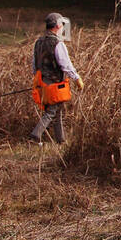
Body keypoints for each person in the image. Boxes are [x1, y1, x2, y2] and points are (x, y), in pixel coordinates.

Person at [28, 12, 84, 145]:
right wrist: (77, 78)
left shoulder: (38, 42)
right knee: (51, 111)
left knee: (57, 110)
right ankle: (35, 136)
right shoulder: (58, 44)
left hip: (41, 83)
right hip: (55, 84)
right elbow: (65, 64)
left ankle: (61, 140)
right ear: (58, 26)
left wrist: (38, 81)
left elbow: (34, 65)